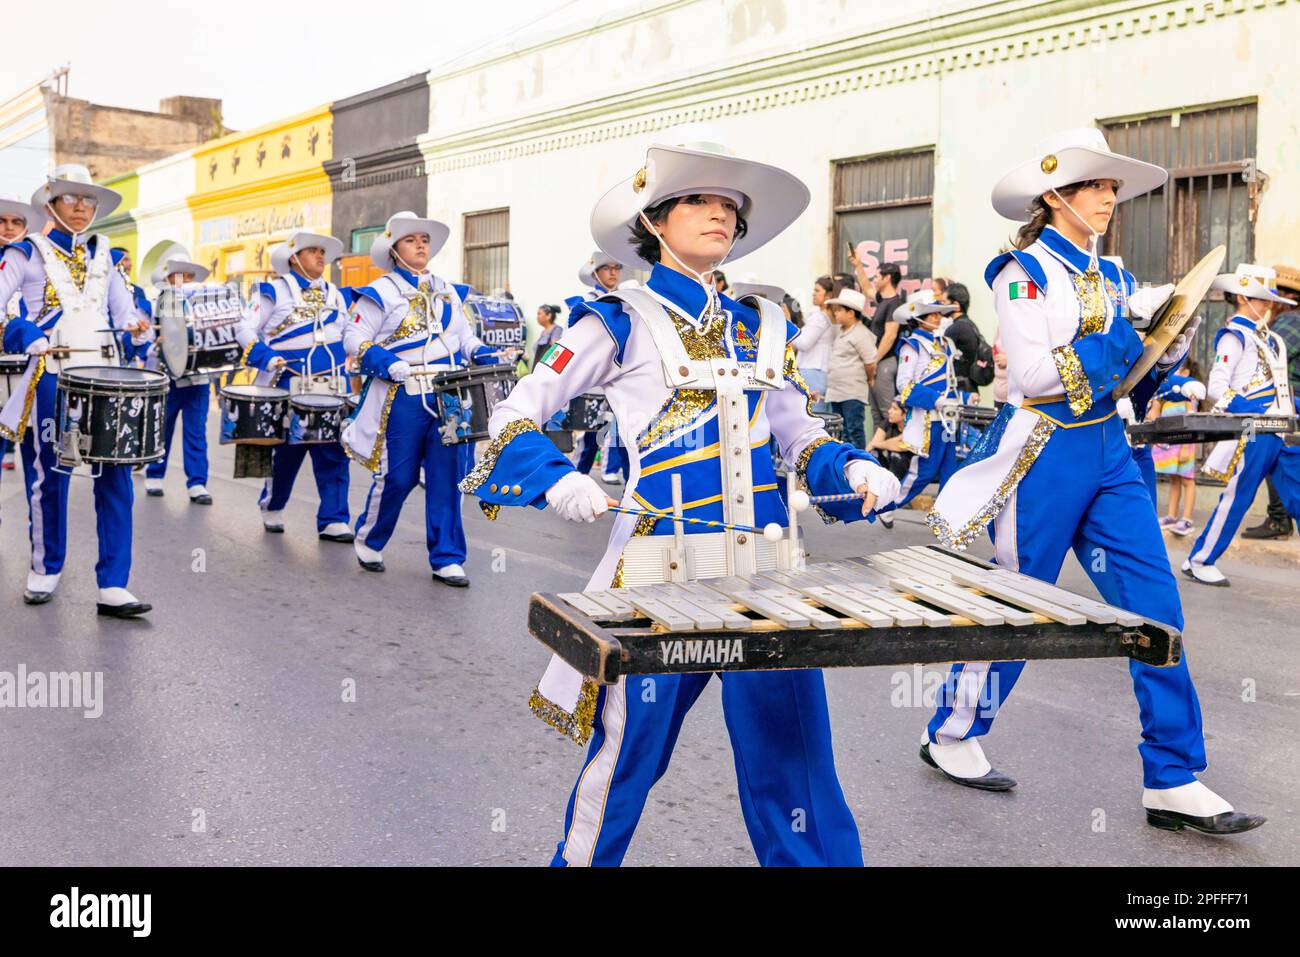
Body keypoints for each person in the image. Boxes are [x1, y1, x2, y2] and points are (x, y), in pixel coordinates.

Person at [460, 125, 901, 866]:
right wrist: (557, 475)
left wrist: (853, 470)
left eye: (728, 204)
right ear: (653, 222)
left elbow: (798, 437)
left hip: (768, 577)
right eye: (695, 199)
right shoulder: (616, 318)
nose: (718, 213)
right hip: (659, 576)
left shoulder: (765, 321)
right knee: (626, 760)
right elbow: (512, 411)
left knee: (796, 759)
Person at [923, 129, 1262, 835]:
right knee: (1016, 604)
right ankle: (952, 731)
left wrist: (1164, 346)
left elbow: (1126, 374)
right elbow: (1041, 376)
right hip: (1043, 450)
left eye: (1113, 187)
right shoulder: (1017, 271)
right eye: (1095, 187)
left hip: (1111, 449)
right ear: (1055, 196)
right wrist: (1129, 331)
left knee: (1157, 610)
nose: (1110, 198)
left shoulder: (1115, 278)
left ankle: (1173, 773)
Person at [0, 164, 154, 616]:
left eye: (88, 201)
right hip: (51, 374)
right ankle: (46, 566)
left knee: (116, 476)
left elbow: (124, 311)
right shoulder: (25, 253)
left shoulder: (105, 252)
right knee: (50, 475)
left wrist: (138, 324)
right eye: (72, 199)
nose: (83, 207)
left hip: (106, 377)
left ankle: (113, 583)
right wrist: (26, 334)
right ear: (51, 205)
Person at [341, 211, 500, 587]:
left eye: (424, 240)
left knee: (449, 477)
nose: (421, 245)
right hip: (404, 395)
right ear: (394, 249)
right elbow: (353, 336)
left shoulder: (447, 289)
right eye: (412, 240)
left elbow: (463, 335)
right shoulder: (380, 292)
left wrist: (482, 352)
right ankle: (370, 537)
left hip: (449, 394)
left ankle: (446, 557)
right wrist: (385, 361)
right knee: (398, 476)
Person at [1183, 264, 1299, 586]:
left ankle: (1200, 558)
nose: (1269, 304)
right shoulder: (1234, 337)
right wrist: (1256, 410)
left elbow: (1279, 388)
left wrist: (1291, 407)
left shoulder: (1269, 338)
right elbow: (1218, 387)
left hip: (1280, 428)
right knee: (1240, 496)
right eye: (1262, 299)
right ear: (1245, 299)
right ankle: (1200, 559)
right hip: (1254, 429)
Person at [238, 230, 354, 541]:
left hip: (331, 386)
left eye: (322, 252)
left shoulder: (338, 295)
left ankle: (333, 519)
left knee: (333, 452)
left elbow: (346, 335)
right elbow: (244, 329)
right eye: (313, 251)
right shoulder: (272, 292)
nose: (321, 256)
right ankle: (273, 504)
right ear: (294, 258)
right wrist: (266, 357)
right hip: (286, 384)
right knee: (286, 454)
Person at [139, 244, 215, 504]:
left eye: (189, 275)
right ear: (167, 277)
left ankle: (197, 483)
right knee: (161, 429)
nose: (185, 279)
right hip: (165, 377)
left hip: (198, 378)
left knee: (196, 432)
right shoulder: (153, 304)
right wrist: (153, 344)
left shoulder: (205, 305)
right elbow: (144, 341)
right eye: (179, 274)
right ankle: (155, 474)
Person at [880, 294, 968, 512]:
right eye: (934, 313)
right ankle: (890, 505)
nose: (939, 317)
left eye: (939, 313)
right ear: (920, 317)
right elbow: (904, 385)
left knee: (950, 469)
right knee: (925, 472)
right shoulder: (912, 346)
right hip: (929, 419)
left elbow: (949, 382)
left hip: (948, 417)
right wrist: (936, 401)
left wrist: (964, 399)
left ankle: (945, 518)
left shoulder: (944, 344)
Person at [1242, 263, 1300, 539]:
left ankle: (1279, 520)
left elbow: (1271, 358)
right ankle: (1279, 519)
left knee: (1275, 459)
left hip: (1289, 400)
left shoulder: (1290, 321)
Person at [565, 251, 628, 482]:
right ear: (595, 273)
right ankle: (576, 480)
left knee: (624, 434)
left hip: (621, 378)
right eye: (607, 268)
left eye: (616, 267)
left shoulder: (626, 299)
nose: (613, 272)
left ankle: (629, 491)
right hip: (594, 379)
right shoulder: (586, 302)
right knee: (591, 437)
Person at [0, 196, 46, 491]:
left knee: (38, 469)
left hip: (32, 373)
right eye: (2, 222)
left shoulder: (40, 265)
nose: (9, 228)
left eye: (17, 222)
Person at [1149, 360, 1206, 536]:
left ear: (1186, 373)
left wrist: (1185, 449)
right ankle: (1172, 516)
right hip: (1168, 446)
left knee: (1187, 481)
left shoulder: (1189, 395)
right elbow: (1154, 415)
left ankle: (1187, 519)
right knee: (1174, 479)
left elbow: (1191, 421)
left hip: (1184, 445)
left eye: (1177, 371)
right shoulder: (1166, 394)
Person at [823, 287, 876, 450]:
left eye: (839, 310)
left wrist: (869, 378)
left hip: (852, 392)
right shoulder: (840, 330)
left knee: (854, 430)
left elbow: (870, 363)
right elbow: (829, 314)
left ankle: (859, 463)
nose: (836, 313)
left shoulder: (862, 333)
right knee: (841, 432)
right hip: (836, 391)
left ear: (851, 313)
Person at [794, 276, 835, 411]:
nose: (813, 293)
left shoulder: (819, 318)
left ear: (828, 295)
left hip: (812, 370)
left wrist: (789, 327)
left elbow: (804, 343)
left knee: (812, 415)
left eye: (818, 291)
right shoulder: (829, 316)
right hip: (821, 370)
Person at [533, 304, 563, 369]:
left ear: (548, 316)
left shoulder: (557, 330)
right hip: (539, 368)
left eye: (539, 314)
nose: (537, 317)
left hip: (546, 370)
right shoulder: (543, 332)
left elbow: (556, 352)